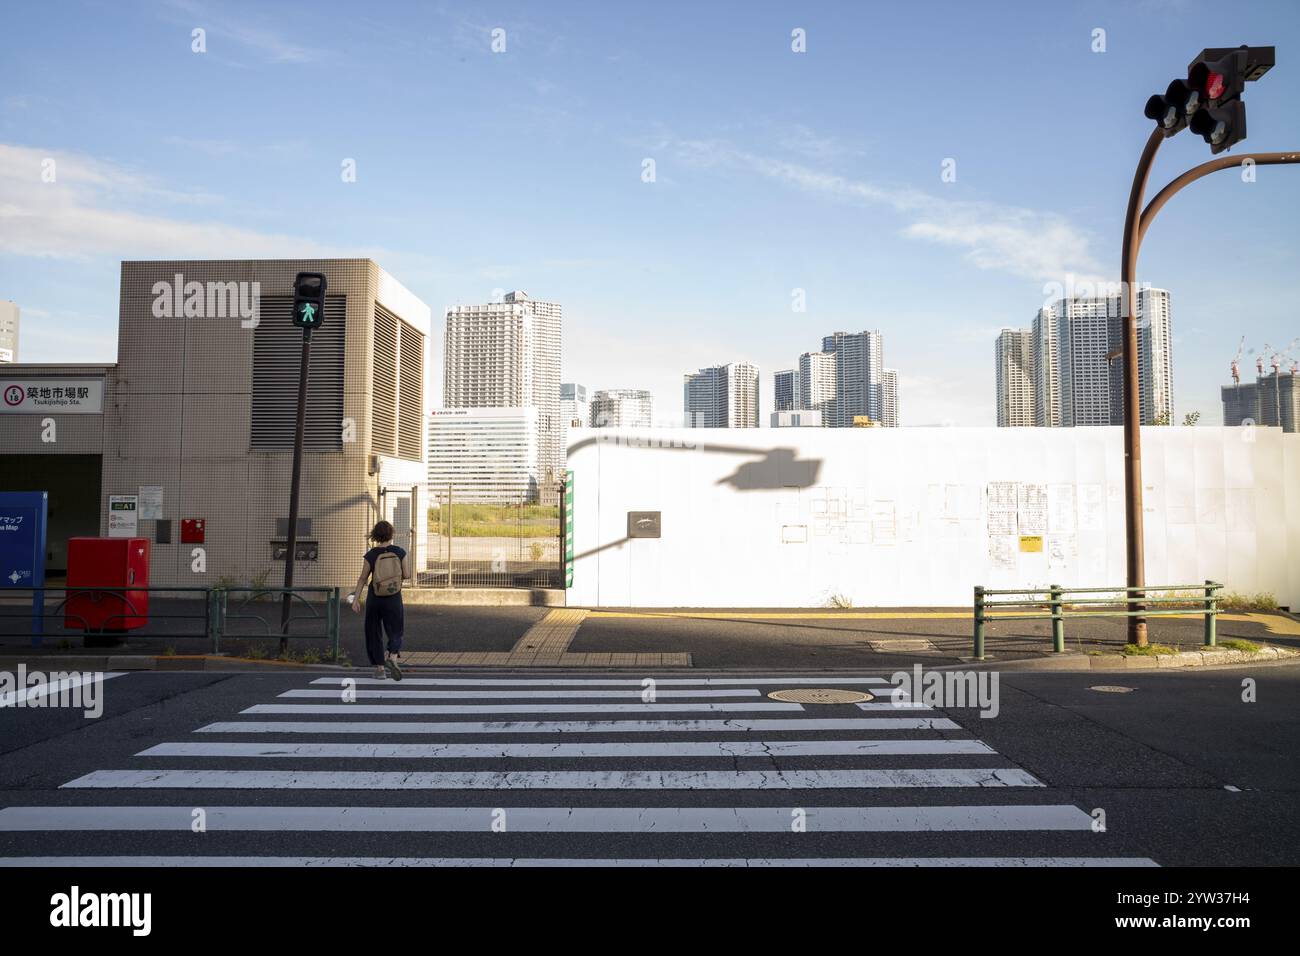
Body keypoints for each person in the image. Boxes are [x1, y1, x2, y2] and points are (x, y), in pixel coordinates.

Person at [349, 520, 409, 680]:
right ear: (391, 534)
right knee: (396, 630)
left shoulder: (371, 554)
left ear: (375, 535)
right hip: (393, 597)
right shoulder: (400, 552)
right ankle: (393, 657)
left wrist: (356, 599)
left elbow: (363, 578)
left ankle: (380, 669)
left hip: (375, 598)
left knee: (373, 631)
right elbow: (407, 574)